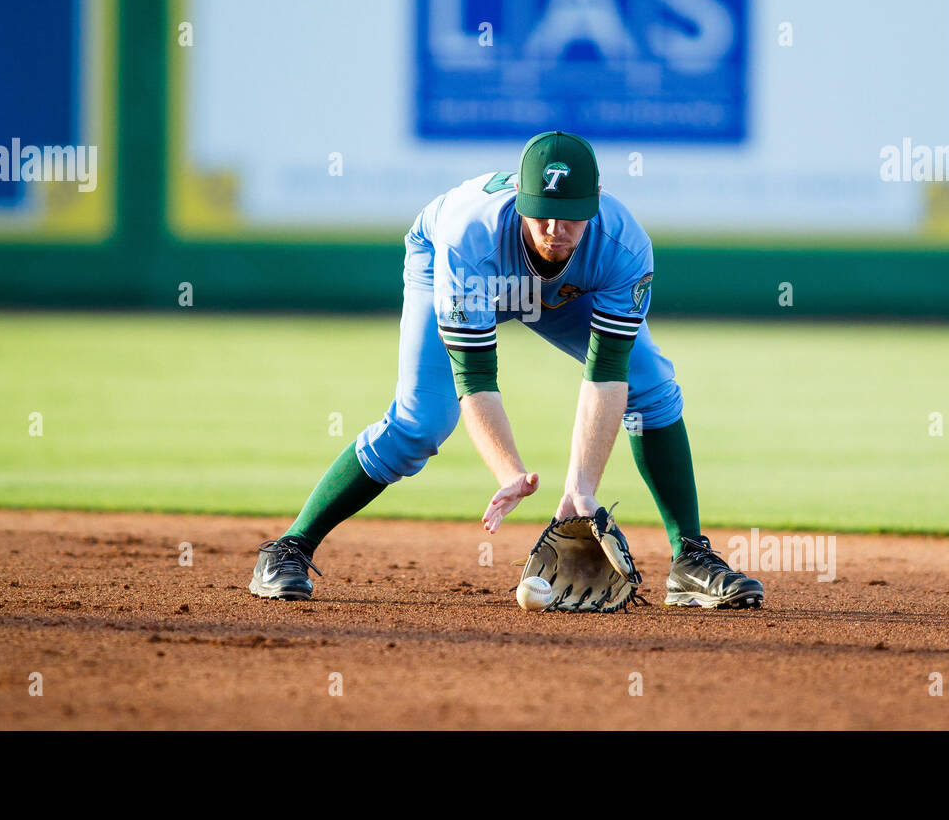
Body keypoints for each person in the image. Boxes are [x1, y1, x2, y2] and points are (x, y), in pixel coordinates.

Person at [249, 131, 764, 609]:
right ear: (520, 198)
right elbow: (475, 377)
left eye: (570, 215)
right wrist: (510, 473)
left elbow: (607, 374)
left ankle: (690, 559)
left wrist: (580, 490)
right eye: (540, 213)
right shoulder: (467, 236)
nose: (554, 229)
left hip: (566, 293)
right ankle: (289, 547)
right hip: (450, 265)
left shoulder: (623, 248)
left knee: (650, 386)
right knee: (421, 422)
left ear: (597, 202)